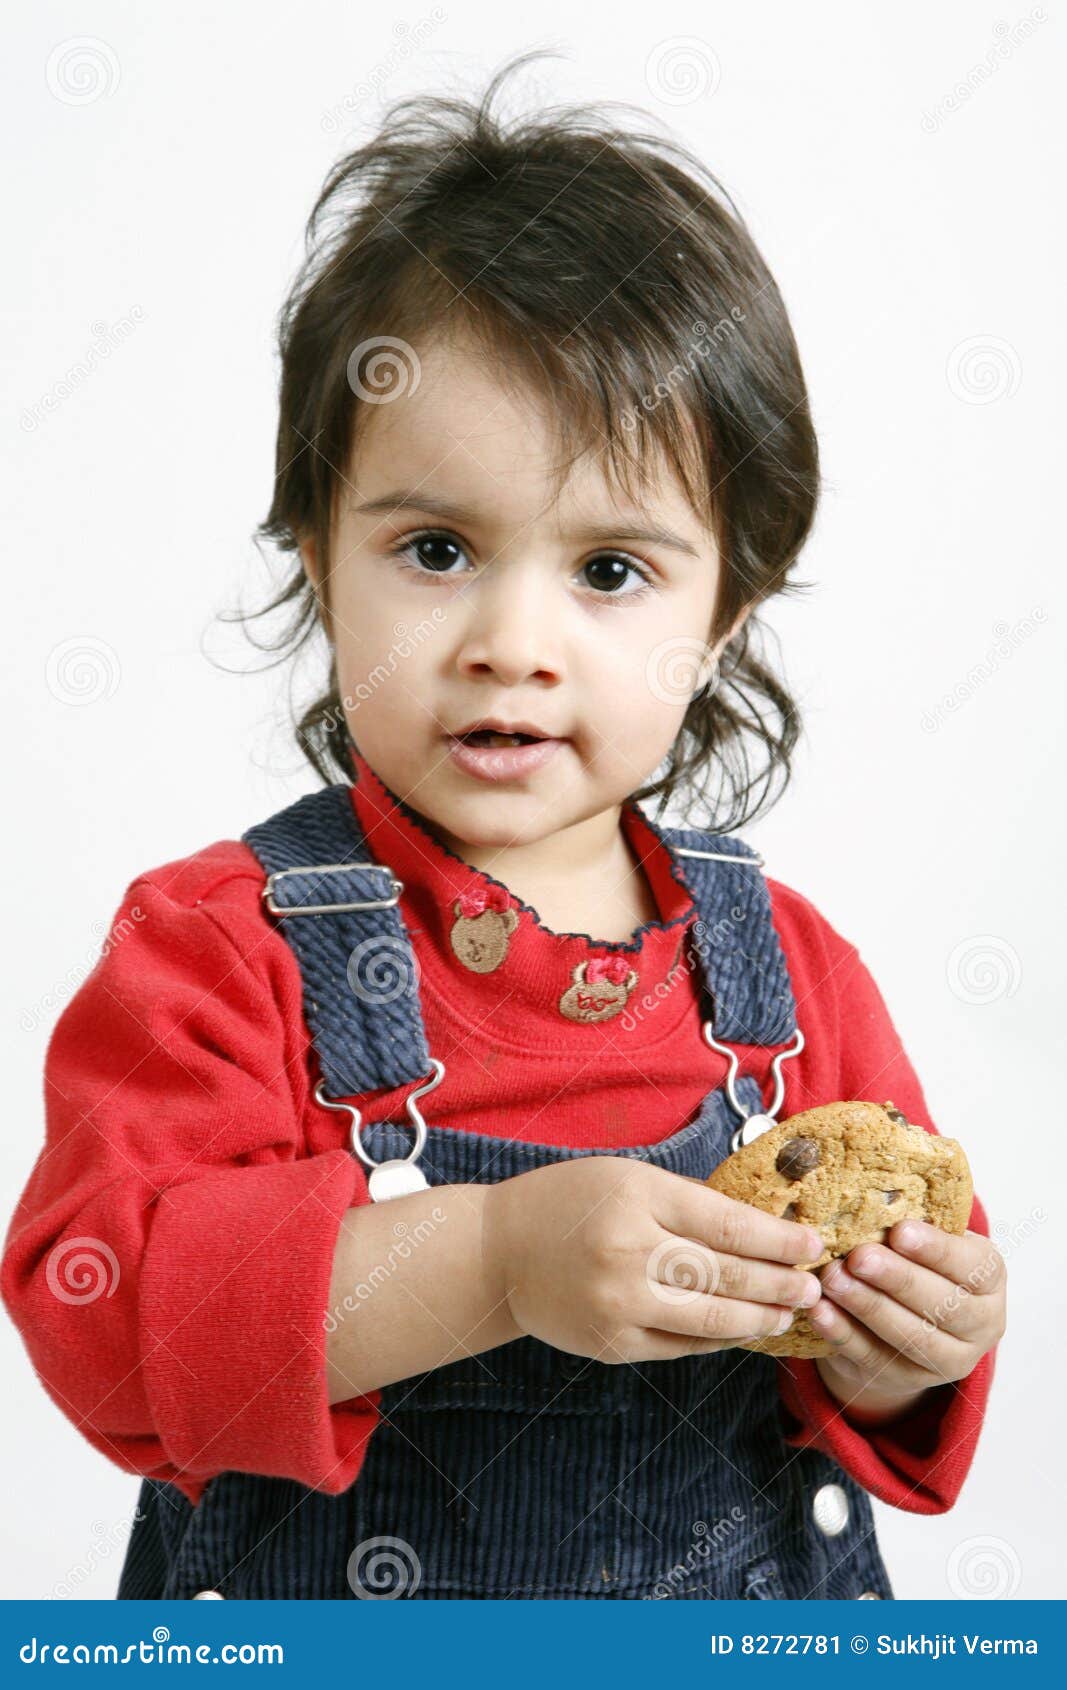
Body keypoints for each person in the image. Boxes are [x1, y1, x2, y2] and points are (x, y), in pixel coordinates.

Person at [2, 55, 1005, 1601]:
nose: (512, 639)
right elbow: (107, 1312)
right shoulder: (221, 950)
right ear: (317, 556)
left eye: (611, 570)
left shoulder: (796, 987)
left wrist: (903, 1349)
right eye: (437, 546)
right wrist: (489, 1264)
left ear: (726, 614)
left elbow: (864, 1391)